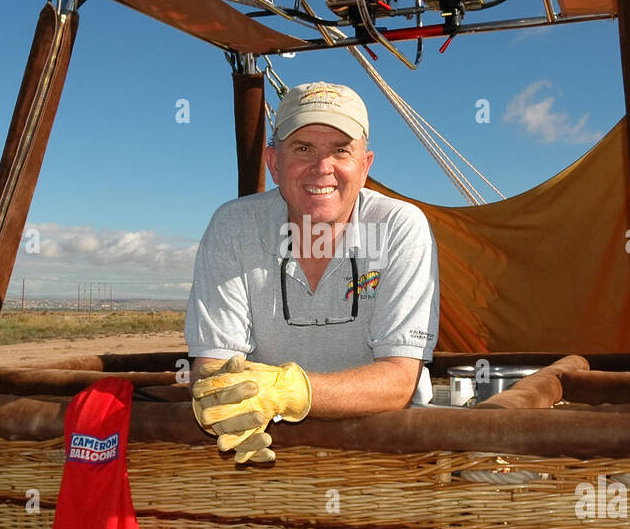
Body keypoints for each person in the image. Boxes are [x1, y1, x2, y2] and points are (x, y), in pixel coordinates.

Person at [185, 81, 440, 463]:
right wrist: (228, 408)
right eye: (303, 149)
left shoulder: (400, 227)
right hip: (272, 455)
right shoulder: (233, 227)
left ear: (365, 165)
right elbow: (214, 368)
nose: (323, 168)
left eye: (341, 150)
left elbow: (399, 381)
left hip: (391, 456)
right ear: (273, 163)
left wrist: (291, 391)